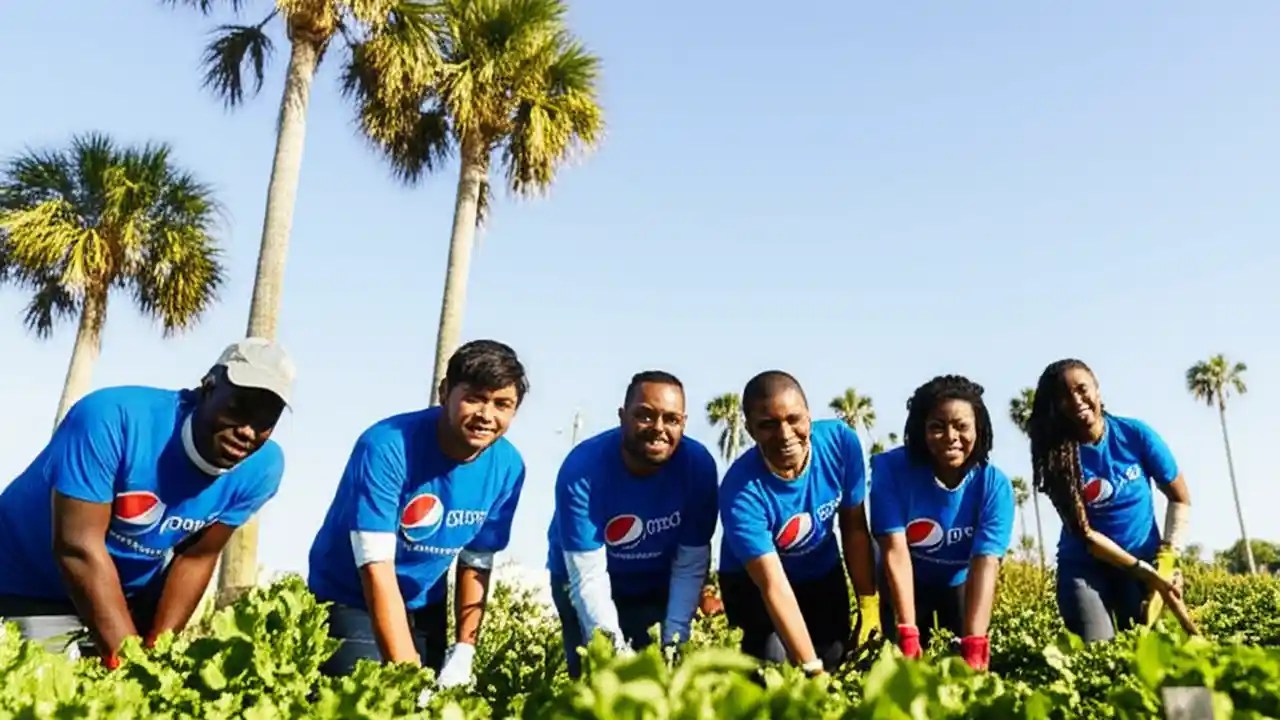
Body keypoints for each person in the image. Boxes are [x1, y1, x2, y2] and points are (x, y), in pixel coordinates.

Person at [0, 338, 293, 667]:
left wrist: (156, 655)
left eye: (265, 421)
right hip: (25, 581)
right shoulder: (113, 418)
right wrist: (131, 665)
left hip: (124, 598)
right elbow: (77, 547)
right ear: (209, 386)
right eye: (239, 407)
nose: (248, 432)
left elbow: (197, 556)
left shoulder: (262, 468)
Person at [306, 339, 529, 688]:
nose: (487, 415)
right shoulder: (386, 446)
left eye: (502, 404)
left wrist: (465, 649)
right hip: (349, 595)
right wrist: (408, 674)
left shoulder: (509, 467)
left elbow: (477, 560)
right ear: (445, 393)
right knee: (366, 699)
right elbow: (376, 570)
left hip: (425, 602)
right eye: (474, 398)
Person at [546, 370, 719, 678]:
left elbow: (690, 564)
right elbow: (588, 577)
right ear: (622, 416)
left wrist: (674, 642)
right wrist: (612, 650)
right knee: (595, 676)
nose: (659, 429)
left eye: (672, 419)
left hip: (656, 583)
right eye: (645, 416)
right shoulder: (582, 470)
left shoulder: (699, 467)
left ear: (684, 423)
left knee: (660, 674)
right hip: (581, 580)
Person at [717, 370, 880, 676]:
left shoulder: (841, 443)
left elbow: (855, 529)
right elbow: (773, 585)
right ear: (750, 429)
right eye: (768, 425)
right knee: (771, 664)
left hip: (820, 568)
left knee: (835, 656)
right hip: (753, 584)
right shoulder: (740, 491)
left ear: (808, 415)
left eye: (794, 419)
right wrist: (811, 669)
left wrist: (868, 605)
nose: (784, 434)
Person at [1028, 358, 1193, 642]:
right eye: (1065, 396)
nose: (1077, 400)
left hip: (1145, 564)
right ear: (1056, 406)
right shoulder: (1056, 457)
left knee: (1152, 654)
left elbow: (1180, 498)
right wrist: (1146, 574)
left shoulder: (1134, 434)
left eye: (1082, 389)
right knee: (1099, 651)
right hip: (1086, 570)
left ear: (1097, 390)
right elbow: (1087, 537)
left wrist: (1167, 559)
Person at [869, 375, 1014, 671]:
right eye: (937, 427)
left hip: (957, 584)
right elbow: (895, 551)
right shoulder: (891, 470)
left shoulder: (994, 485)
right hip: (906, 580)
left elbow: (985, 564)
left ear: (979, 430)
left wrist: (975, 643)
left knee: (964, 667)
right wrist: (907, 632)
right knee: (903, 667)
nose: (951, 437)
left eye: (962, 426)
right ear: (921, 430)